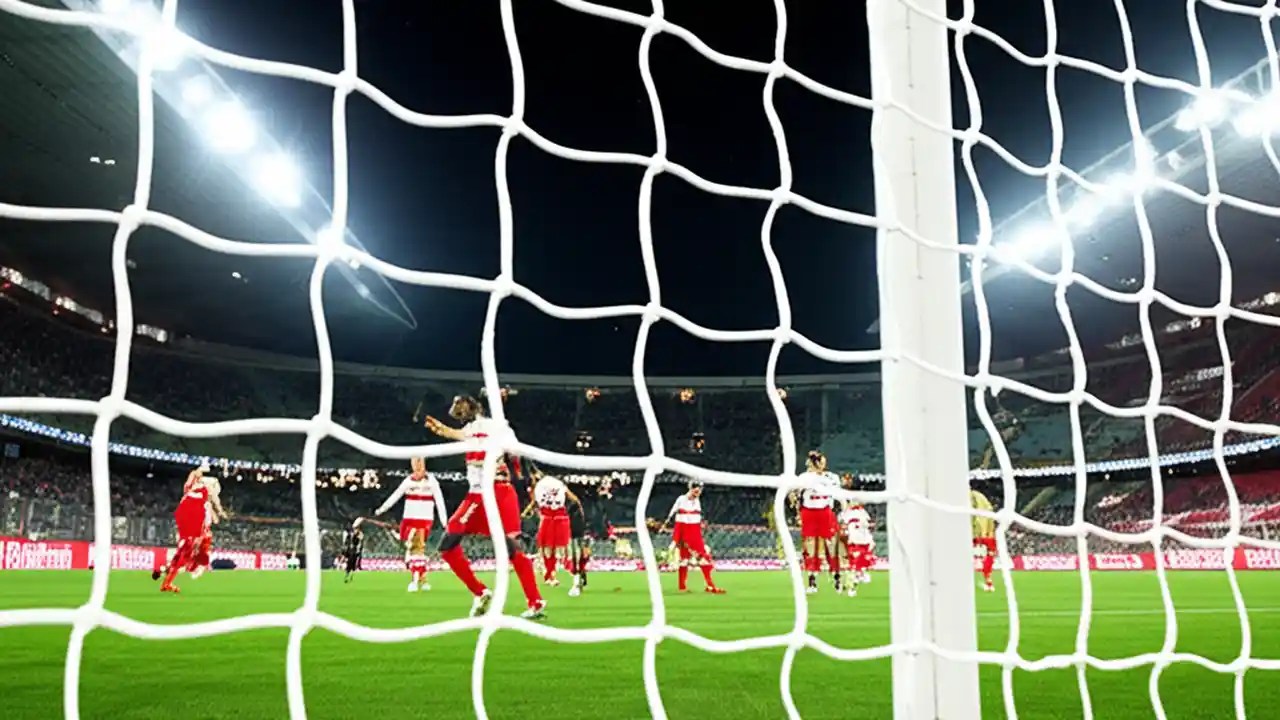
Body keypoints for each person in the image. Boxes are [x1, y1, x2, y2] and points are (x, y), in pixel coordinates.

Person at [425, 395, 546, 619]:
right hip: (476, 494)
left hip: (499, 490)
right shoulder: (471, 429)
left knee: (513, 547)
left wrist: (514, 465)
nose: (458, 411)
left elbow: (514, 450)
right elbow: (459, 434)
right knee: (448, 544)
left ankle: (536, 602)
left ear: (475, 406)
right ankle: (479, 592)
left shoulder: (498, 426)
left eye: (461, 405)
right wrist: (441, 429)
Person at [375, 457, 449, 592]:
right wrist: (382, 509)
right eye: (415, 463)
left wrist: (444, 522)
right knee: (413, 549)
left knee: (417, 548)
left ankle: (415, 581)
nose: (417, 466)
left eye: (420, 463)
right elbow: (396, 495)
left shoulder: (432, 482)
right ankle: (423, 580)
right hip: (409, 518)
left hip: (424, 518)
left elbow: (440, 501)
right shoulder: (408, 481)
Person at [155, 465, 216, 594]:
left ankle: (164, 575)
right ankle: (166, 580)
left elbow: (192, 478)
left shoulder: (189, 490)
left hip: (186, 532)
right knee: (181, 560)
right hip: (190, 534)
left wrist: (200, 470)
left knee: (179, 559)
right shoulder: (200, 494)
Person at [659, 482, 725, 594]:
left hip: (694, 533)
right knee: (697, 558)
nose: (698, 493)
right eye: (696, 490)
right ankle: (708, 586)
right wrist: (673, 534)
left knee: (689, 559)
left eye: (699, 490)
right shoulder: (681, 500)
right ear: (690, 489)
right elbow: (672, 515)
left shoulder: (696, 502)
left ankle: (684, 587)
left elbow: (695, 519)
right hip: (685, 533)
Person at [522, 463, 581, 587]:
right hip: (561, 517)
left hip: (547, 518)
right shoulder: (559, 484)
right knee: (562, 546)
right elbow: (573, 499)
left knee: (548, 548)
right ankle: (570, 569)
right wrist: (579, 508)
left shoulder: (538, 486)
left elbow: (535, 502)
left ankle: (550, 575)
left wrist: (525, 512)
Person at [794, 451, 840, 594]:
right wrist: (797, 512)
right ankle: (812, 578)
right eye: (821, 462)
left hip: (825, 511)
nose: (823, 465)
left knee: (831, 544)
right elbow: (795, 494)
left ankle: (836, 575)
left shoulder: (831, 477)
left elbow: (837, 495)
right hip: (809, 512)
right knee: (810, 546)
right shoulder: (804, 478)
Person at [838, 500, 874, 597]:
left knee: (854, 564)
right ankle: (853, 583)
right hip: (859, 540)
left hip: (858, 540)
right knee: (854, 565)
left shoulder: (850, 513)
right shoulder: (860, 512)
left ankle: (857, 577)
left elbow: (843, 524)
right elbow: (869, 525)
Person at [971, 488, 996, 592]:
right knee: (989, 557)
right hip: (987, 535)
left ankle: (988, 582)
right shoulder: (982, 499)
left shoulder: (974, 496)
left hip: (978, 535)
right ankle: (988, 581)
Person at [341, 518, 365, 583]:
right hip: (350, 550)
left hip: (355, 550)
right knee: (350, 563)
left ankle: (351, 576)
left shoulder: (359, 535)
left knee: (353, 563)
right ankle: (347, 575)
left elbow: (360, 541)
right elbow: (347, 541)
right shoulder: (351, 534)